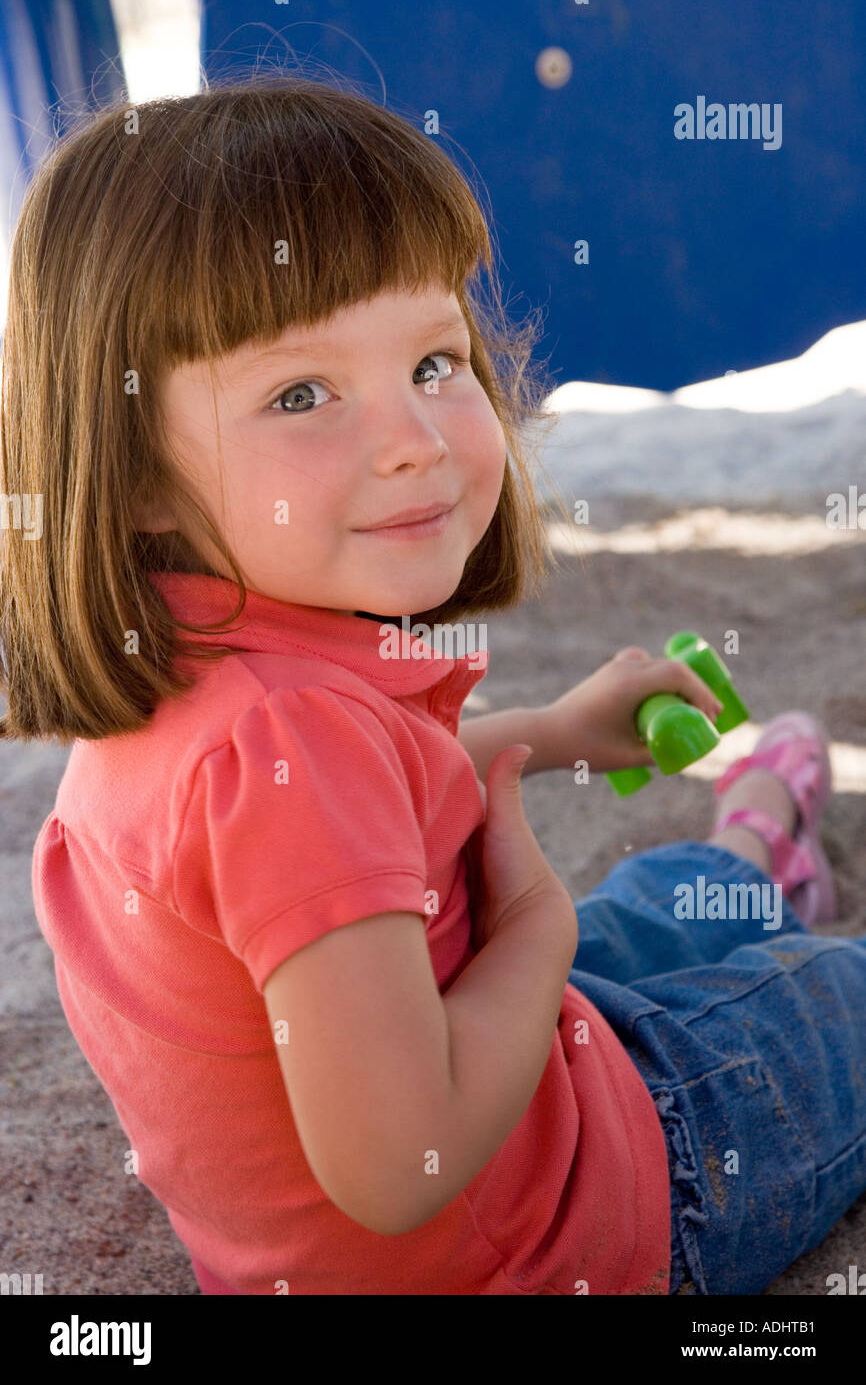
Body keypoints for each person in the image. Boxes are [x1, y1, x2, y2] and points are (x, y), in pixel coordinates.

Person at [4, 74, 864, 1296]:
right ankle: (756, 881)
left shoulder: (208, 691)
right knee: (828, 995)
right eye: (302, 393)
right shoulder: (284, 747)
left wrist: (556, 736)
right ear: (131, 467)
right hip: (575, 1216)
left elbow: (340, 842)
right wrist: (532, 926)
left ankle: (750, 857)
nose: (413, 435)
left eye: (432, 360)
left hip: (464, 1054)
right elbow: (405, 1159)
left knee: (654, 910)